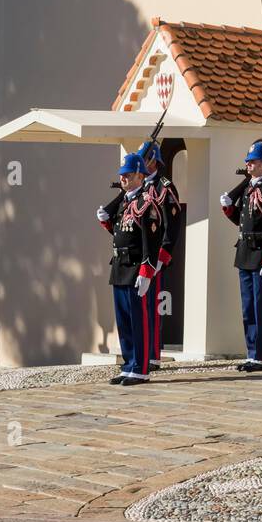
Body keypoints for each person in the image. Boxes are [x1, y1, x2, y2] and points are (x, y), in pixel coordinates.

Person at [97, 153, 164, 386]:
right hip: (119, 266)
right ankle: (129, 364)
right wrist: (107, 220)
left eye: (127, 175)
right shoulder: (125, 203)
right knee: (124, 321)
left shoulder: (147, 205)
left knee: (138, 321)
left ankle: (141, 367)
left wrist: (147, 271)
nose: (123, 179)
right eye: (122, 175)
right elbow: (121, 233)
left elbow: (151, 241)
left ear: (139, 175)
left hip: (136, 268)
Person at [220, 139, 262, 372]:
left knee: (261, 308)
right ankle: (252, 353)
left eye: (253, 161)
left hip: (261, 257)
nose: (248, 165)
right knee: (248, 308)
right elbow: (243, 220)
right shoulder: (249, 189)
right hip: (245, 254)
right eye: (247, 161)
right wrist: (229, 208)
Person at [137, 139, 182, 370]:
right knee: (139, 307)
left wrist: (163, 256)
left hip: (154, 256)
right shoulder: (140, 187)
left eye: (144, 160)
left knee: (153, 307)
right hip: (138, 255)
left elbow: (172, 225)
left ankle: (153, 355)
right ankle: (141, 352)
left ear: (153, 161)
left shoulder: (164, 187)